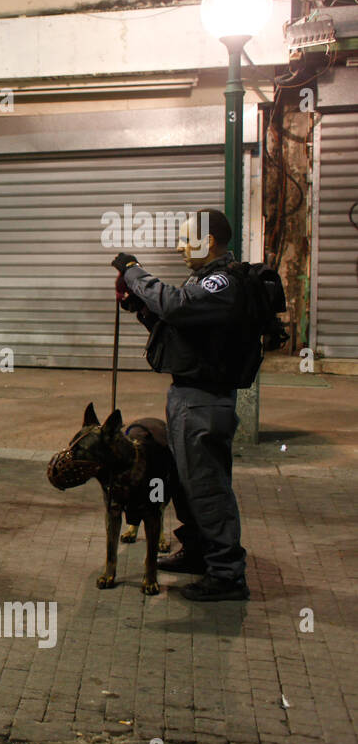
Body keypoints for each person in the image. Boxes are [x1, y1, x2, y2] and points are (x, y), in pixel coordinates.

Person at [113, 208, 251, 602]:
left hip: (206, 400)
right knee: (187, 484)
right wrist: (138, 305)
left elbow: (174, 305)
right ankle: (197, 551)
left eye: (185, 239)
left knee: (207, 488)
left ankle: (227, 574)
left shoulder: (222, 281)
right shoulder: (203, 281)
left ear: (208, 242)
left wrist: (135, 271)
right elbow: (174, 326)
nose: (178, 245)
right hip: (188, 396)